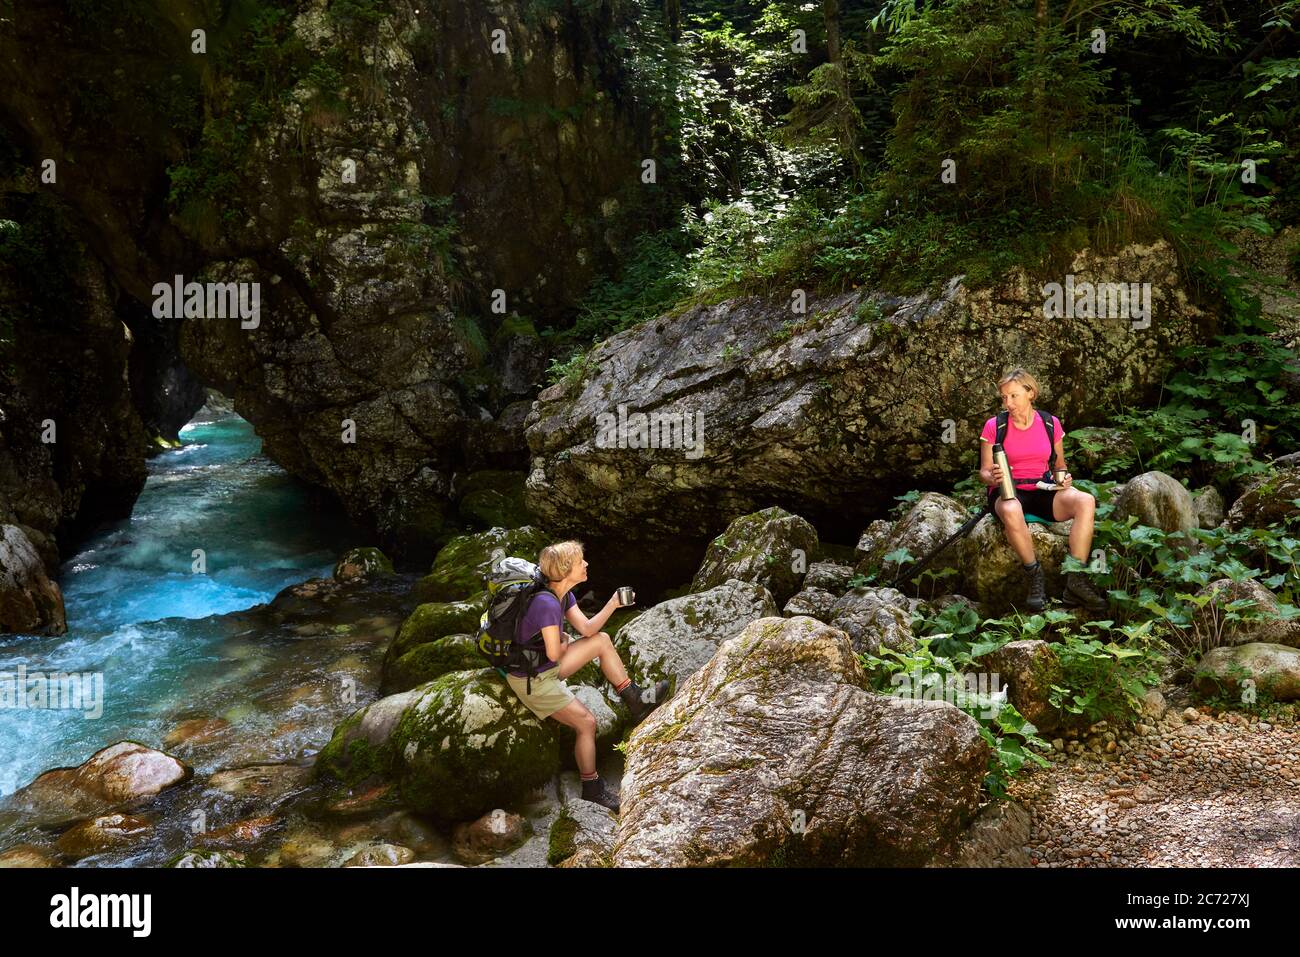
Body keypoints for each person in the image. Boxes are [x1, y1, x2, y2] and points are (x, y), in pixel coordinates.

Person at [505, 540, 670, 813]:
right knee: (587, 723)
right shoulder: (545, 603)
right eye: (581, 561)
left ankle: (635, 699)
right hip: (532, 679)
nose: (586, 564)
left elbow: (588, 629)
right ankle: (591, 788)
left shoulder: (564, 593)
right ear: (566, 568)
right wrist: (566, 639)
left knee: (602, 640)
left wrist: (613, 604)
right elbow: (556, 653)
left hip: (543, 665)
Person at [977, 368, 1108, 614]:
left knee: (1086, 500)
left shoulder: (1050, 423)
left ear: (1031, 393)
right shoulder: (995, 426)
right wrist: (992, 475)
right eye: (1004, 397)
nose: (1008, 403)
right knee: (1012, 507)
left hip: (1043, 489)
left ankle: (1075, 579)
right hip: (1009, 491)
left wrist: (1064, 479)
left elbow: (1060, 466)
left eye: (1014, 396)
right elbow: (983, 472)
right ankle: (1035, 575)